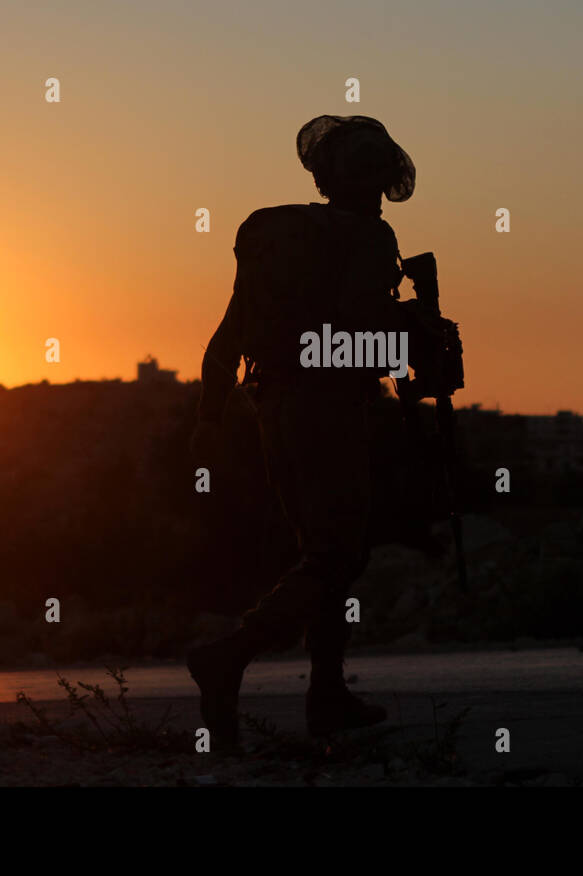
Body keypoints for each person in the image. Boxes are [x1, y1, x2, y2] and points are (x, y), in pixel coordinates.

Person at [188, 115, 418, 746]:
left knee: (323, 550)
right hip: (327, 406)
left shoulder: (280, 238)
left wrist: (208, 419)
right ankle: (228, 656)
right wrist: (414, 330)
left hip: (272, 404)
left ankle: (327, 695)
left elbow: (226, 338)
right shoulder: (370, 238)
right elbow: (356, 327)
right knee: (337, 553)